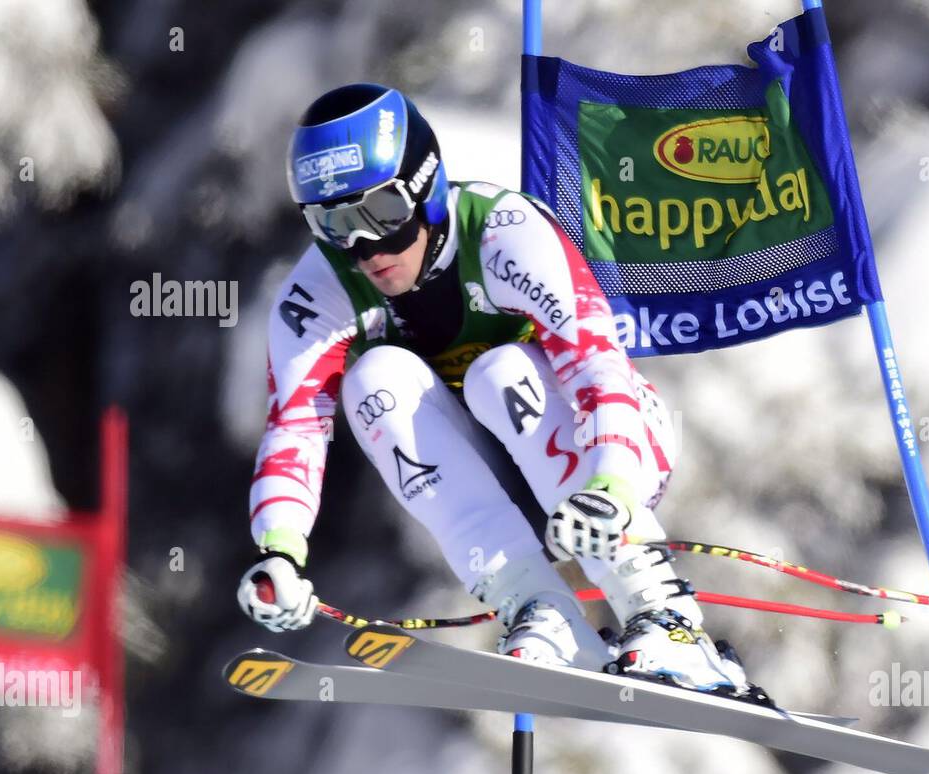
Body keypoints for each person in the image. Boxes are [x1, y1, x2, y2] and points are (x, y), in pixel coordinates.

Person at [236, 83, 760, 699]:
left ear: (426, 186)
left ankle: (667, 621)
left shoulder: (503, 233)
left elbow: (598, 368)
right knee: (371, 382)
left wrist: (611, 483)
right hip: (492, 475)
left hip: (609, 454)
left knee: (499, 371)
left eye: (380, 211)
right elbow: (295, 427)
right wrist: (280, 551)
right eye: (332, 222)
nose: (363, 246)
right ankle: (540, 609)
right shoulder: (320, 290)